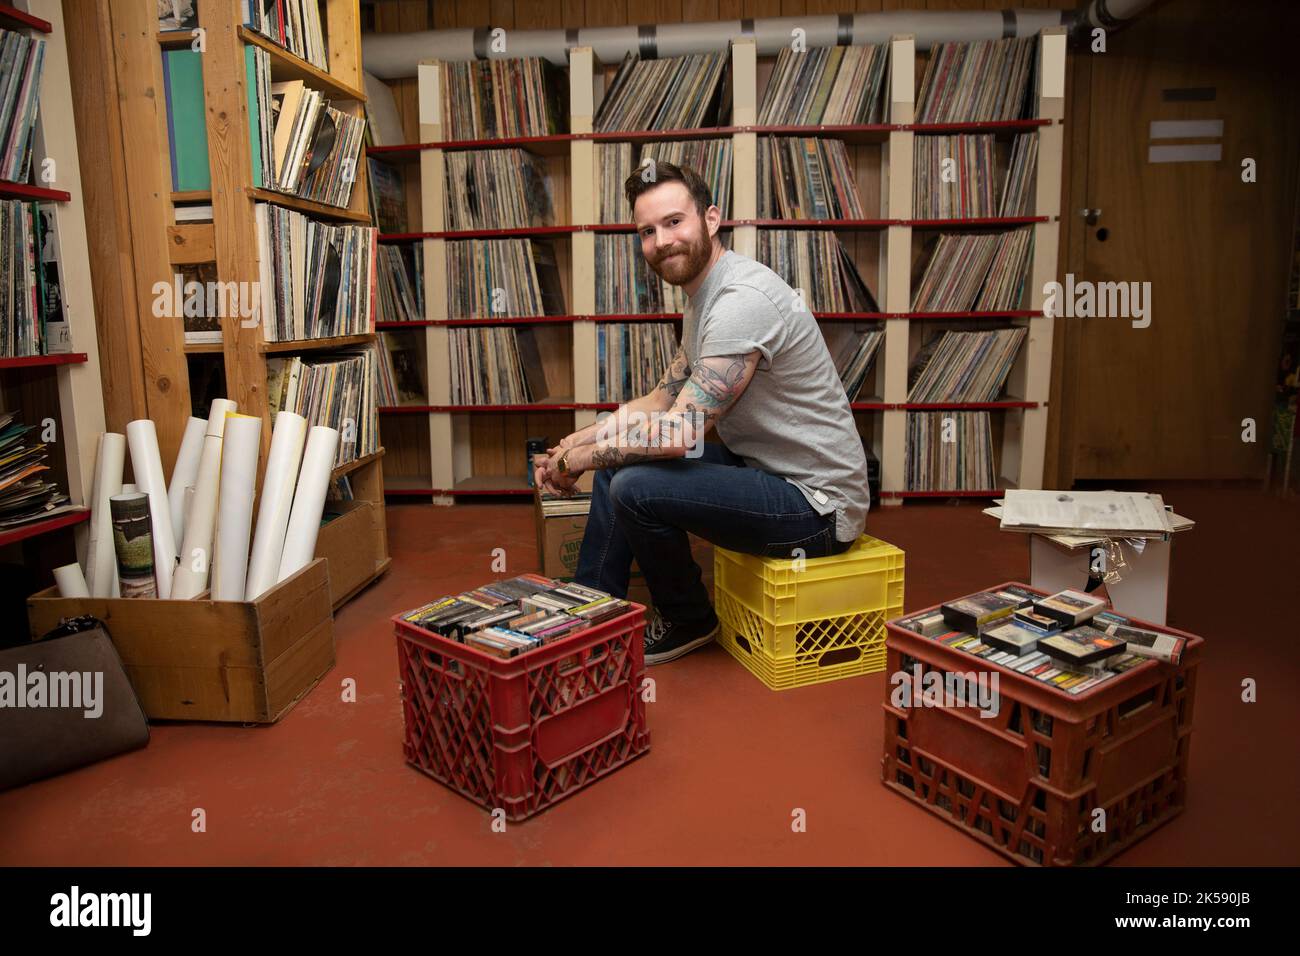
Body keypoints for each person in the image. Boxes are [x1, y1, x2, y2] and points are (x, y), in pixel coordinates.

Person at [533, 161, 871, 665]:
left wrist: (575, 461)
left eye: (674, 222)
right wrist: (574, 443)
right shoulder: (703, 295)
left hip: (817, 507)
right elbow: (661, 399)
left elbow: (679, 434)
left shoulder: (740, 301)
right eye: (647, 231)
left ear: (711, 219)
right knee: (615, 467)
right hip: (765, 470)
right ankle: (591, 617)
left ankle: (688, 618)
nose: (662, 241)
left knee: (633, 484)